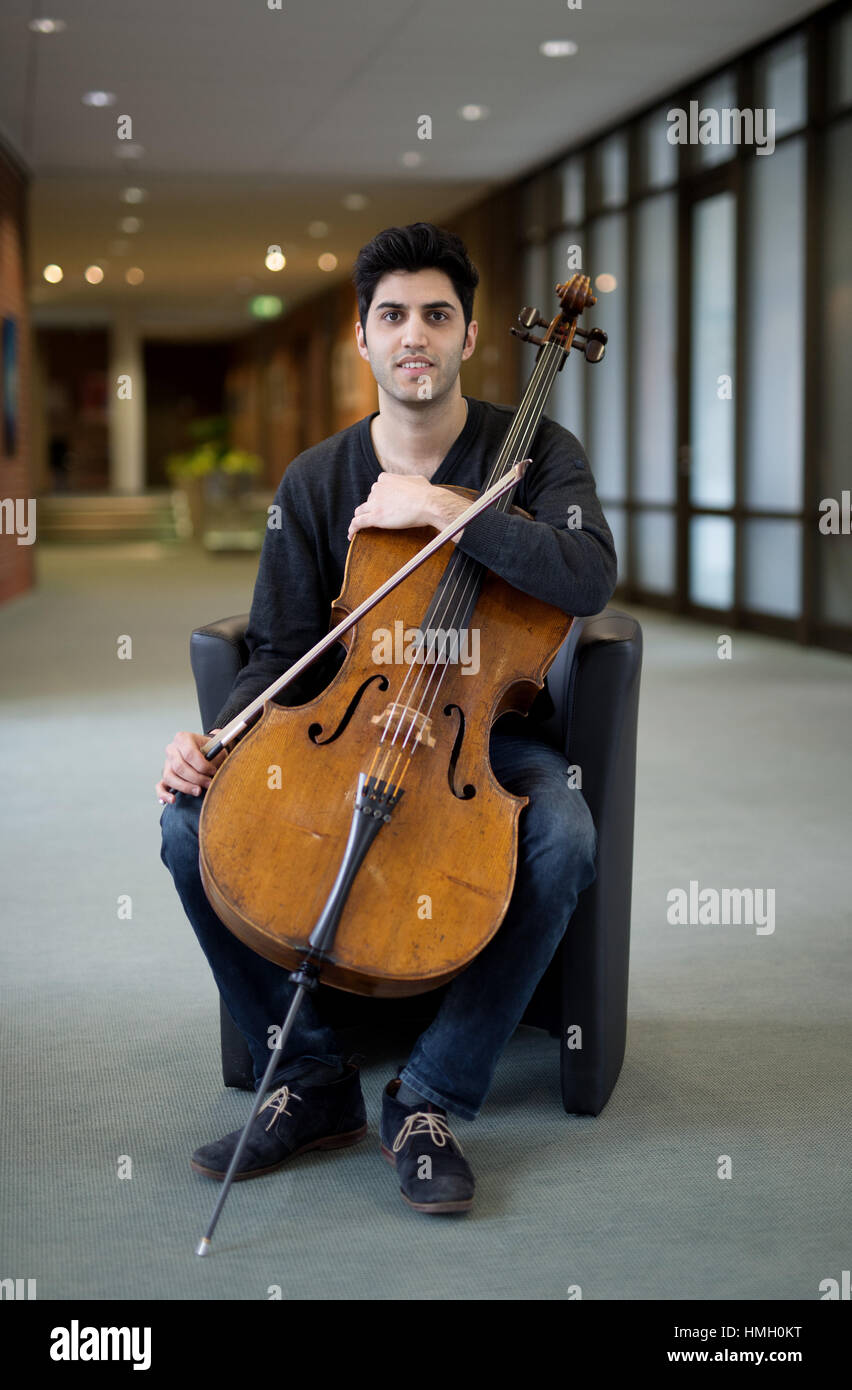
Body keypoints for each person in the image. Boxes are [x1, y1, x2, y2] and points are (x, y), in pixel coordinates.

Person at [158, 222, 617, 1215]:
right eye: (394, 315)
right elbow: (282, 651)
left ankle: (429, 1094)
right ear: (363, 338)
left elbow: (587, 575)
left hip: (482, 743)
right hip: (346, 724)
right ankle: (314, 1079)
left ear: (470, 334)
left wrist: (445, 507)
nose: (416, 335)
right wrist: (215, 740)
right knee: (184, 827)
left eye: (437, 316)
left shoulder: (535, 451)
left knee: (565, 840)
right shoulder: (316, 482)